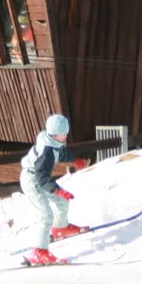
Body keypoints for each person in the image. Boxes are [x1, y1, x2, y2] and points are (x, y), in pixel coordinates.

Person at [19, 113, 86, 265]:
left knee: (62, 202)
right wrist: (57, 190)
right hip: (32, 180)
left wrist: (74, 160)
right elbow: (42, 177)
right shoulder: (46, 151)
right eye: (65, 133)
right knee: (45, 215)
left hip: (41, 179)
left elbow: (61, 153)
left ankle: (60, 228)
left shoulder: (54, 142)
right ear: (57, 134)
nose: (66, 136)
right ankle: (39, 252)